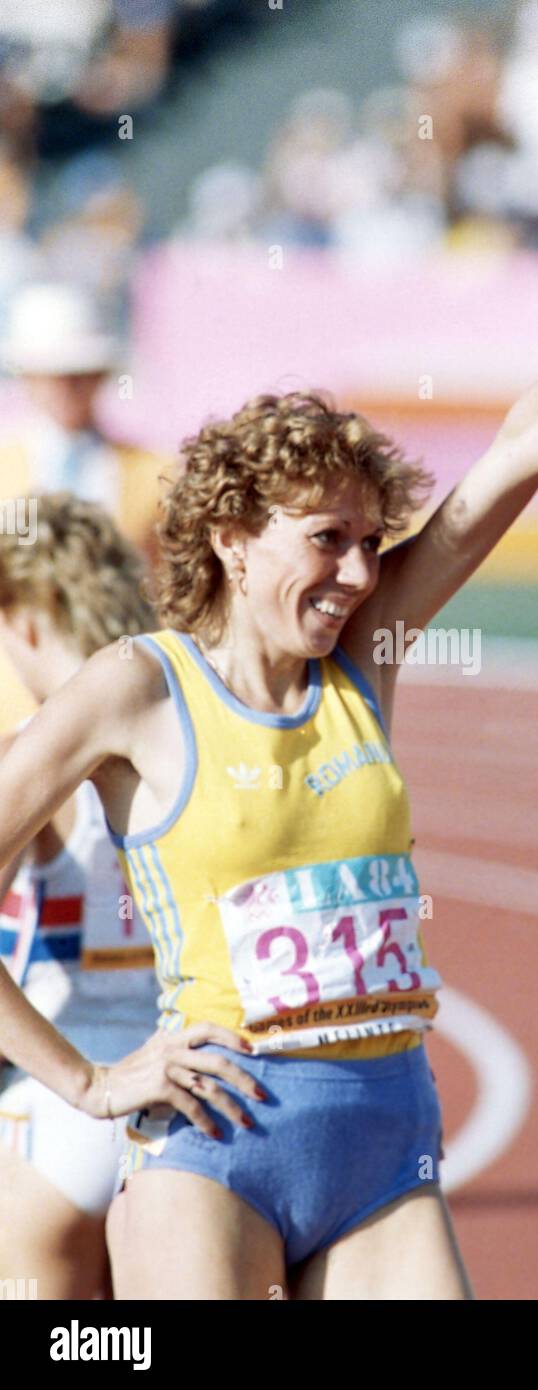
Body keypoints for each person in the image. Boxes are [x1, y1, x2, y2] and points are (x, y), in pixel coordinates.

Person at [0, 88, 538, 1301]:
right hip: (211, 1153)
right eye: (327, 540)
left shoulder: (364, 657)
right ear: (234, 537)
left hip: (382, 1155)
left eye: (371, 541)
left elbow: (526, 449)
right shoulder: (134, 691)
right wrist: (88, 1082)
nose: (360, 573)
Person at [0, 492, 160, 1298]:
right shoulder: (178, 734)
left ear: (27, 618)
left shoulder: (22, 761)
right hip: (179, 1096)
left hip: (55, 1105)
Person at [0, 280, 171, 732]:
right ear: (26, 376)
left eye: (80, 370)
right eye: (52, 372)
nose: (66, 386)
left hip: (122, 709)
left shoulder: (153, 474)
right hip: (11, 709)